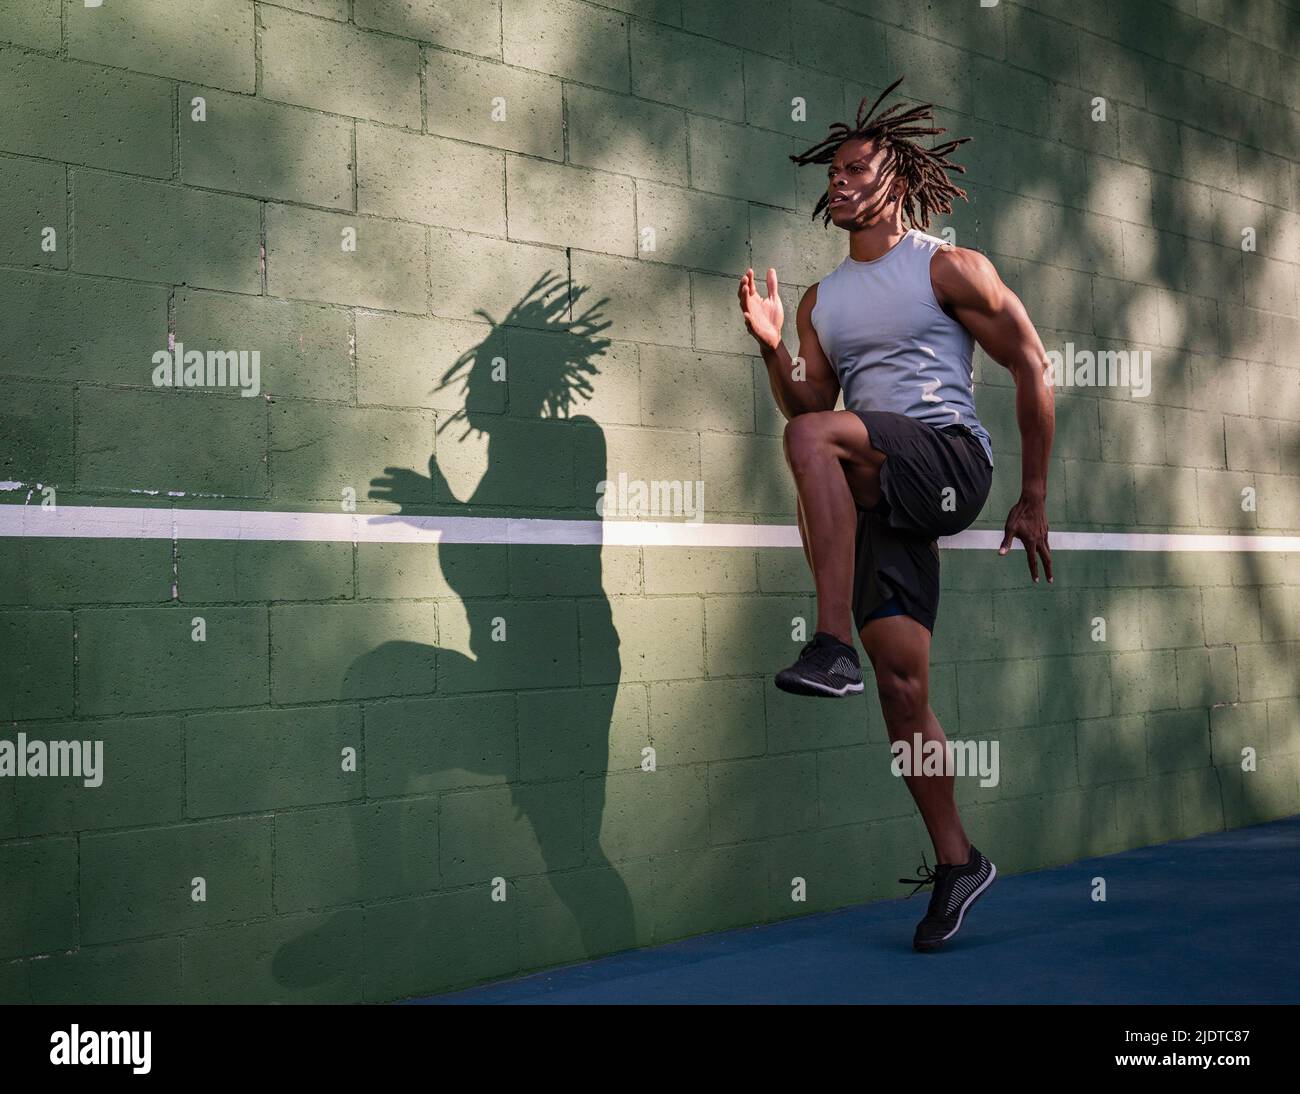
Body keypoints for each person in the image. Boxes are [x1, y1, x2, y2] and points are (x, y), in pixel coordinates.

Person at [737, 78, 1055, 952]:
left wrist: (1032, 498)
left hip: (950, 459)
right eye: (831, 173)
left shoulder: (947, 267)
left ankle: (828, 639)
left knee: (811, 439)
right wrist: (772, 348)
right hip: (883, 482)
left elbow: (1032, 367)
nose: (836, 183)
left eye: (853, 170)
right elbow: (807, 402)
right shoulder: (821, 300)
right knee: (903, 685)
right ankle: (958, 861)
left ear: (897, 182)